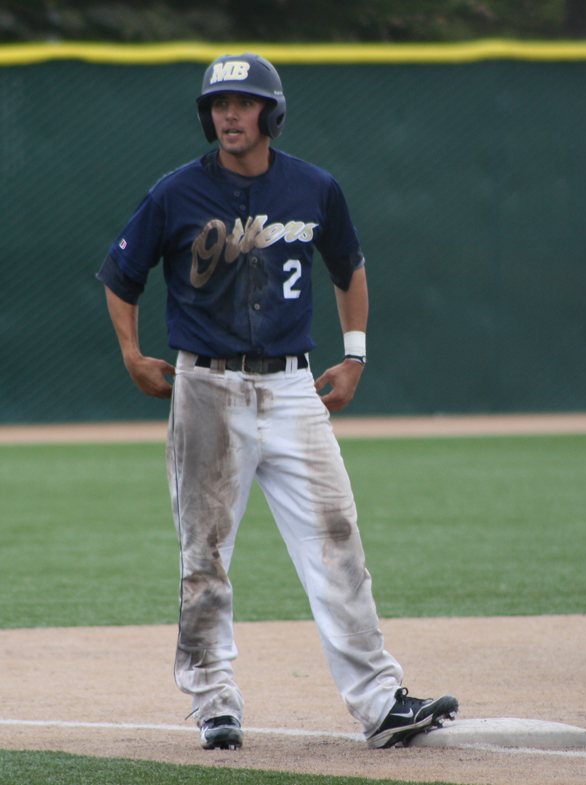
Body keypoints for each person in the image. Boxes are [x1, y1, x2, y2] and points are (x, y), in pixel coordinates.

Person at [97, 52, 458, 751]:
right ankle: (214, 701)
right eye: (218, 103)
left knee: (337, 537)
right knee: (204, 552)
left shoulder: (314, 188)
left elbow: (348, 267)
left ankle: (381, 703)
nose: (229, 113)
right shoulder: (175, 193)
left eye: (243, 101)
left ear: (272, 111)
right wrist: (131, 353)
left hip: (293, 387)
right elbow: (121, 274)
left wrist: (355, 354)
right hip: (205, 386)